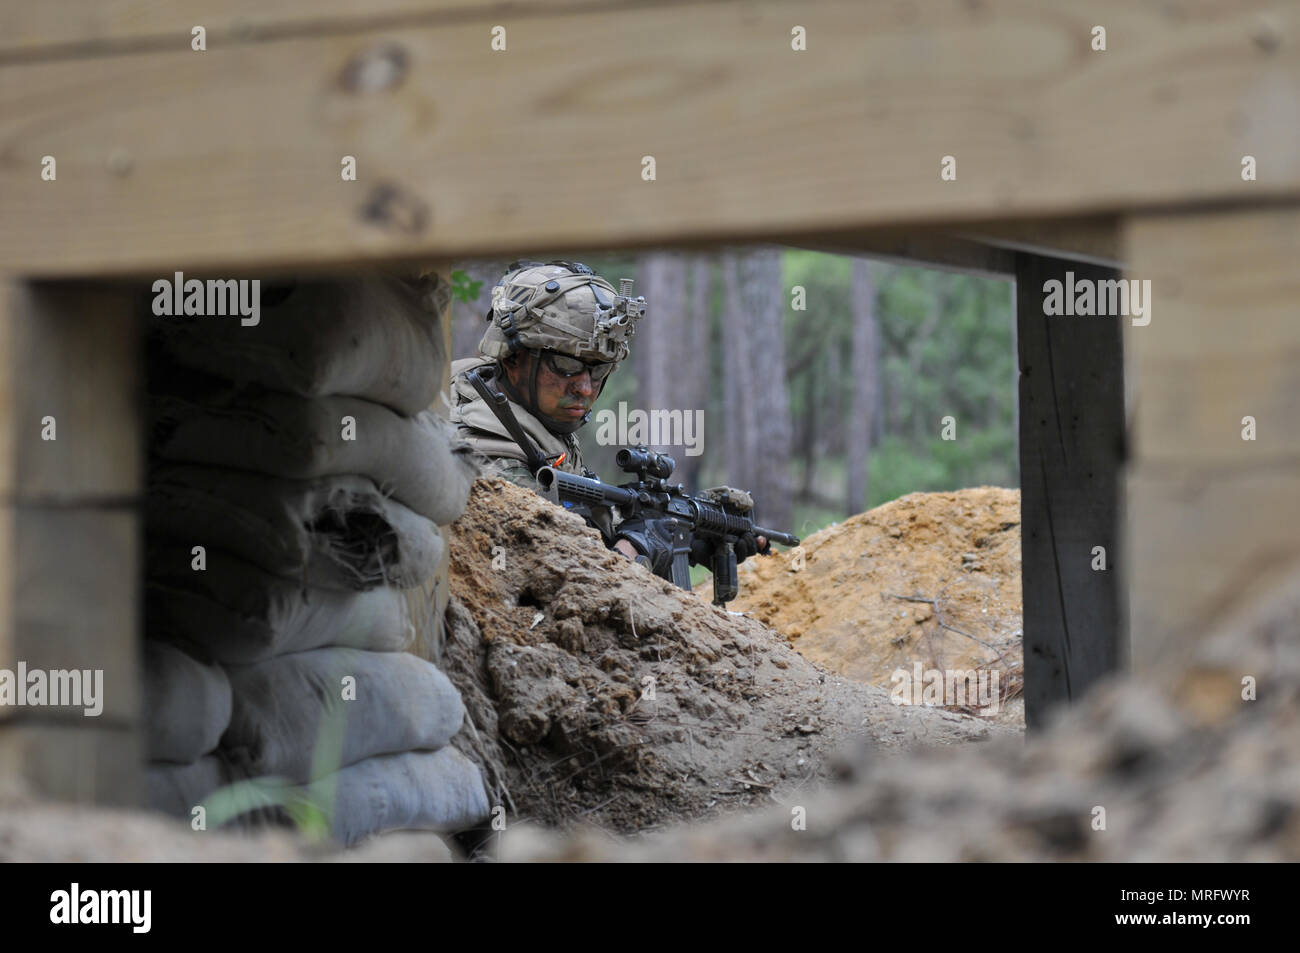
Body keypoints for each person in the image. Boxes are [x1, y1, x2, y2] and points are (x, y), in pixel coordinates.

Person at [449, 258, 766, 570]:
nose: (585, 388)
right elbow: (557, 586)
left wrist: (684, 539)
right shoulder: (485, 455)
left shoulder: (523, 419)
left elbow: (577, 526)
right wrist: (634, 549)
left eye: (600, 369)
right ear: (512, 357)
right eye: (568, 366)